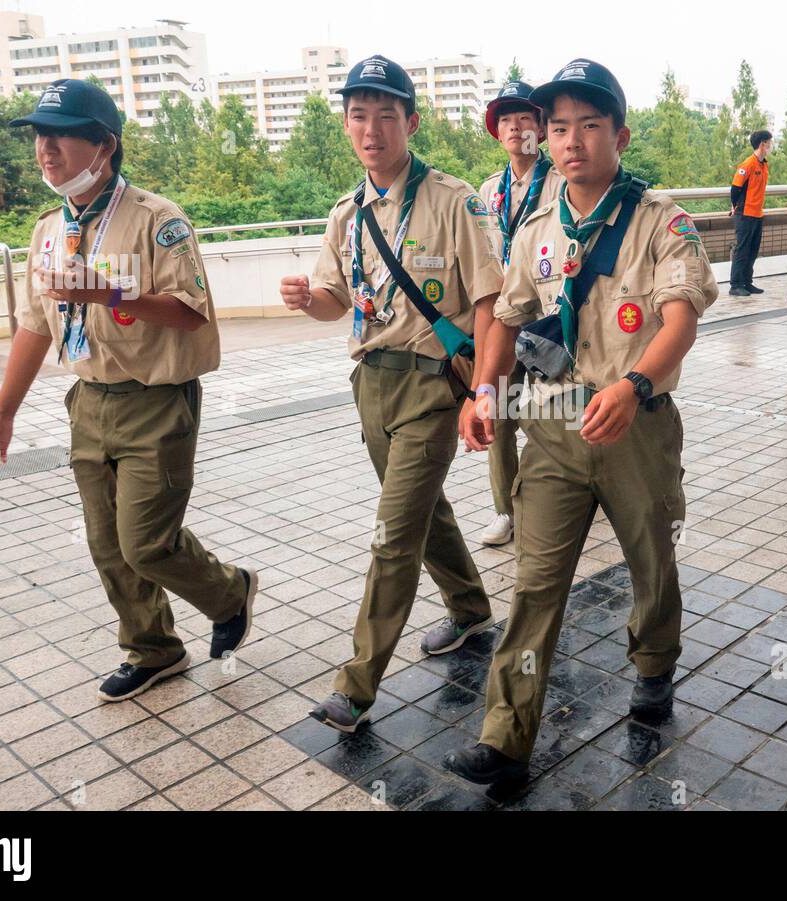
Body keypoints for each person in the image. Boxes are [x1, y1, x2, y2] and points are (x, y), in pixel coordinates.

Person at [442, 59, 718, 784]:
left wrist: (632, 384)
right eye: (557, 127)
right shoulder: (535, 228)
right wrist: (484, 393)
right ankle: (506, 733)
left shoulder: (661, 220)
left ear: (618, 134)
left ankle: (654, 663)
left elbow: (681, 322)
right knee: (535, 583)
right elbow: (506, 318)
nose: (569, 141)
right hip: (556, 429)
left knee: (650, 560)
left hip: (636, 426)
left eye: (588, 126)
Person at [0, 79, 258, 702]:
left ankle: (230, 592)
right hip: (89, 402)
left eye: (63, 136)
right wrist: (1, 415)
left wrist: (107, 291)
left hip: (156, 400)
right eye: (40, 138)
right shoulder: (48, 230)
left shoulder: (157, 220)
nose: (47, 151)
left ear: (104, 145)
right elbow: (35, 325)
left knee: (147, 543)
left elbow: (190, 311)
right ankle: (153, 648)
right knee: (107, 546)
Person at [278, 55, 503, 732]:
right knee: (421, 508)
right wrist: (305, 298)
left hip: (435, 384)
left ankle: (357, 683)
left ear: (410, 120)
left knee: (392, 533)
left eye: (384, 114)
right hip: (371, 384)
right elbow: (336, 301)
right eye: (357, 114)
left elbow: (491, 303)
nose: (370, 128)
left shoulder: (453, 199)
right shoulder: (346, 213)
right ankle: (469, 608)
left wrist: (482, 392)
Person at [476, 81, 566, 548]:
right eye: (507, 119)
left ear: (542, 129)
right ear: (497, 132)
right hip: (505, 316)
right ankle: (505, 510)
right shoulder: (489, 191)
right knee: (502, 411)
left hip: (551, 314)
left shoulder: (561, 182)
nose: (517, 127)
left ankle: (575, 496)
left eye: (527, 118)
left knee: (558, 409)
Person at [729, 129, 772, 297]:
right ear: (763, 143)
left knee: (753, 250)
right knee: (742, 249)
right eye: (769, 142)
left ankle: (747, 282)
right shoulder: (747, 164)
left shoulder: (764, 164)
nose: (770, 145)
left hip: (757, 213)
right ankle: (736, 284)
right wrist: (735, 207)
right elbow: (735, 188)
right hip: (745, 214)